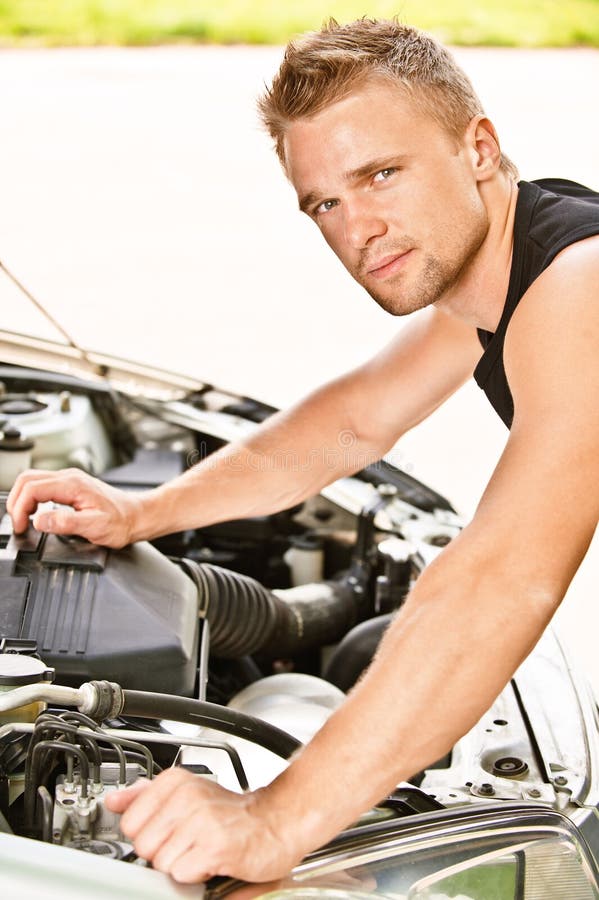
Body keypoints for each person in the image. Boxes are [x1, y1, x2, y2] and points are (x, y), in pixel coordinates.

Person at [7, 17, 599, 885]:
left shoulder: (578, 285)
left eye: (380, 174)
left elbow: (500, 576)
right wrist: (141, 511)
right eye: (324, 202)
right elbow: (352, 421)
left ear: (478, 147)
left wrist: (274, 818)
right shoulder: (507, 267)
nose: (357, 227)